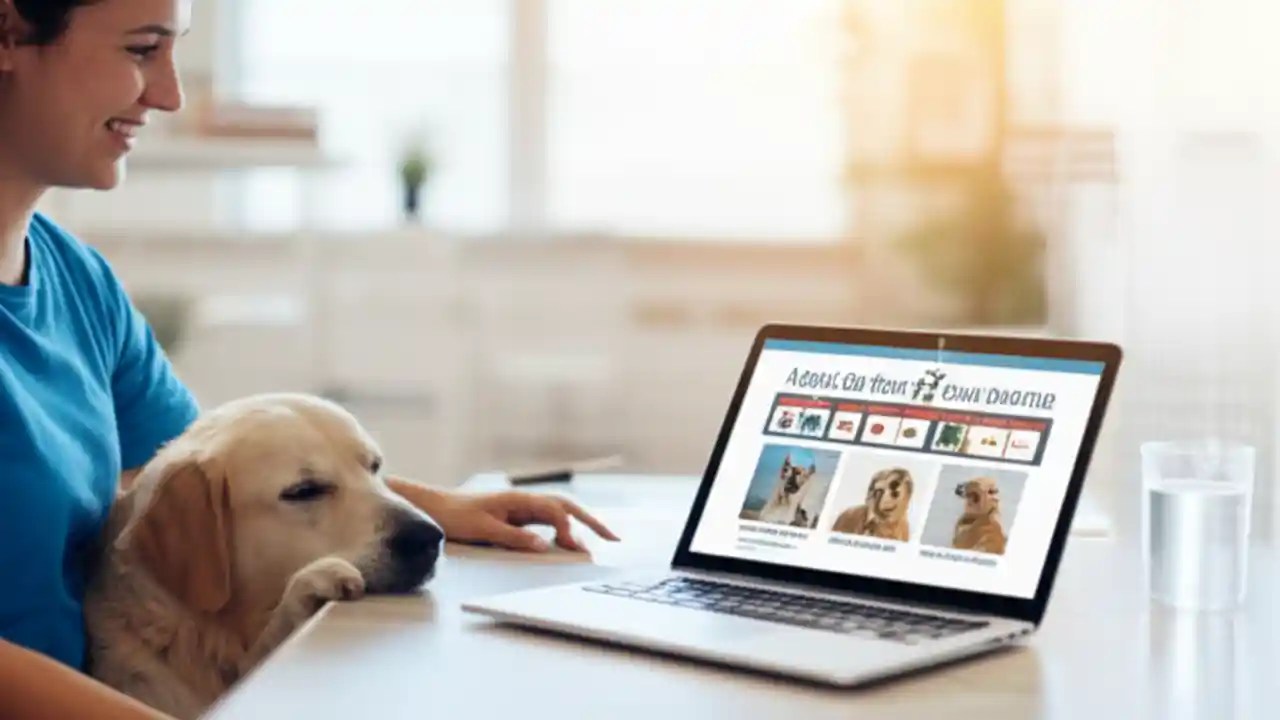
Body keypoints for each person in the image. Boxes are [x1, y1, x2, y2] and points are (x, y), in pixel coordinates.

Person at [0, 1, 618, 717]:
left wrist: (435, 509)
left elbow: (213, 479)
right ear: (9, 33)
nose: (169, 95)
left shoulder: (80, 283)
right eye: (142, 50)